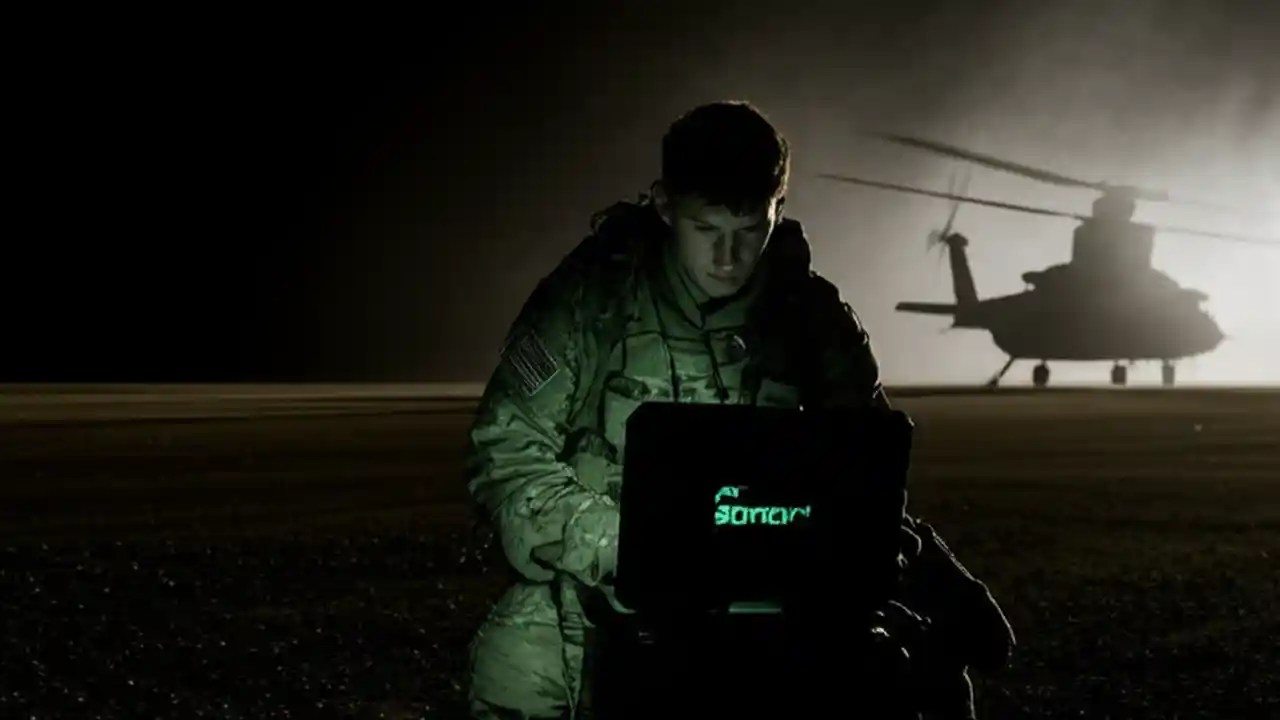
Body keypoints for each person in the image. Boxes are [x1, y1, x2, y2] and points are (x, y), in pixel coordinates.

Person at [463, 100, 1015, 719]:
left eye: (750, 230)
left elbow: (866, 472)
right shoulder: (589, 303)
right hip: (610, 581)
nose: (727, 257)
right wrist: (632, 545)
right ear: (665, 206)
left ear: (778, 208)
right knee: (523, 663)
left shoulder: (813, 320)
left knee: (911, 678)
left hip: (777, 586)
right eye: (706, 231)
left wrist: (873, 555)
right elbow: (507, 458)